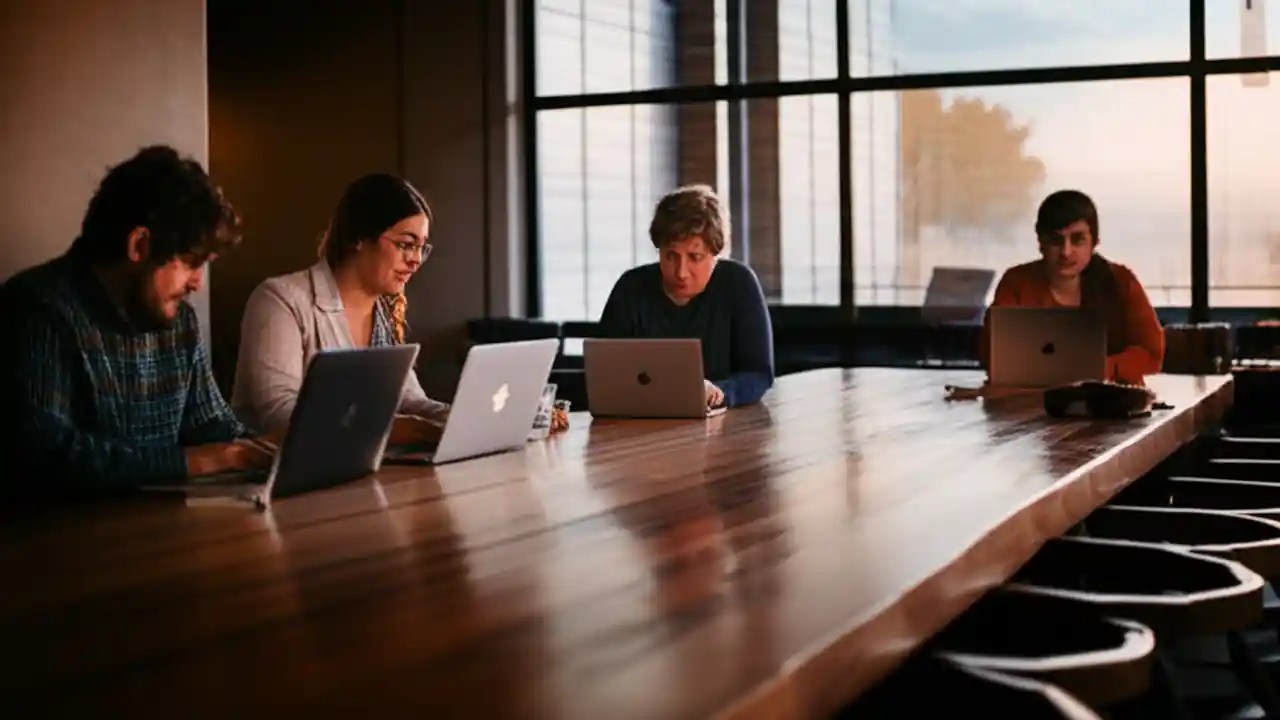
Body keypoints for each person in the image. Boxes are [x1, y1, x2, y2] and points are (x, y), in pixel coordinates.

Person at [0, 145, 273, 497]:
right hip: (62, 542)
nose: (197, 282)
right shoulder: (37, 308)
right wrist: (201, 461)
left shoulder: (180, 322)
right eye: (191, 261)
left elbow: (209, 423)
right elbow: (48, 455)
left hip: (166, 531)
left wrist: (265, 449)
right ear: (140, 245)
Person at [232, 174, 456, 445]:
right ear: (359, 237)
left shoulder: (384, 312)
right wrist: (383, 429)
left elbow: (407, 399)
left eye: (421, 248)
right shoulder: (280, 299)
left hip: (358, 470)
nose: (416, 261)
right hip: (281, 477)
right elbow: (279, 413)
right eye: (405, 244)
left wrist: (456, 417)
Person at [598, 184, 775, 409]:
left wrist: (719, 392)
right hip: (641, 422)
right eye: (671, 256)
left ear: (715, 252)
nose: (681, 272)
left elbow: (758, 374)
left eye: (695, 257)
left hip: (723, 427)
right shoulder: (631, 287)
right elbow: (603, 373)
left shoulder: (738, 283)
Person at [979, 189, 1165, 385]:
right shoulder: (1017, 282)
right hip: (1029, 402)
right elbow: (992, 355)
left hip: (1106, 401)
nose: (1066, 252)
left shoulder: (1120, 281)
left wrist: (1099, 370)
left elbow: (1152, 353)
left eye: (1077, 240)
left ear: (1095, 242)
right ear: (1040, 242)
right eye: (1055, 241)